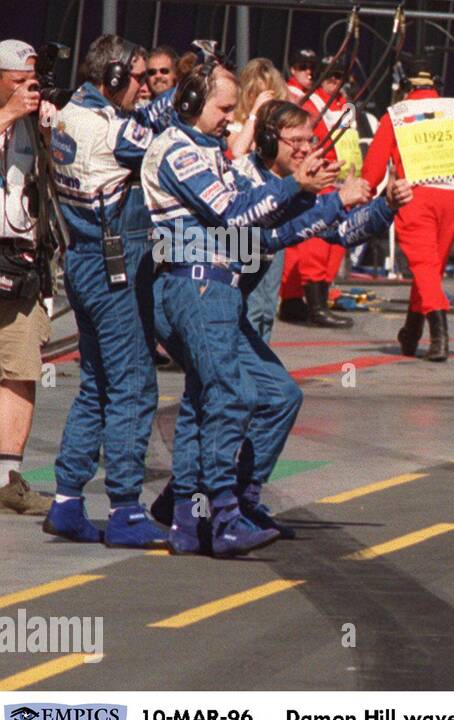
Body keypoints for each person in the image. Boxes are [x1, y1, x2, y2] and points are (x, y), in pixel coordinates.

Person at [141, 65, 369, 556]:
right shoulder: (182, 151)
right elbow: (235, 217)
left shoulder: (207, 151)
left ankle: (190, 515)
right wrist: (303, 193)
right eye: (224, 109)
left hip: (215, 288)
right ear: (192, 102)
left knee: (223, 396)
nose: (231, 121)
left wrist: (377, 206)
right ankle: (219, 516)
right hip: (197, 284)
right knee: (227, 395)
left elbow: (272, 231)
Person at [43, 35, 175, 547]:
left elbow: (141, 120)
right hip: (115, 263)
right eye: (139, 79)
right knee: (134, 386)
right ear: (114, 77)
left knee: (97, 382)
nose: (145, 89)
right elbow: (157, 142)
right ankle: (125, 508)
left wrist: (169, 96)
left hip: (81, 258)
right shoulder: (109, 130)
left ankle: (67, 500)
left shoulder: (70, 112)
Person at [362, 59, 454, 362]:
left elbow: (375, 167)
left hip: (415, 200)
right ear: (435, 84)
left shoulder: (396, 115)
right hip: (452, 201)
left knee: (426, 270)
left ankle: (440, 335)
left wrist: (362, 194)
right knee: (429, 270)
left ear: (405, 85)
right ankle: (411, 331)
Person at [0, 40, 51, 515]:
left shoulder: (34, 124)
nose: (28, 89)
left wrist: (47, 127)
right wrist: (8, 113)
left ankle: (6, 480)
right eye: (18, 80)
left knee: (19, 369)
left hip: (19, 257)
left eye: (32, 80)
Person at [278, 65, 359, 328]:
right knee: (315, 243)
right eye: (331, 75)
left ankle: (295, 302)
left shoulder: (345, 106)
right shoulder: (310, 103)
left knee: (333, 244)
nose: (336, 81)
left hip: (341, 181)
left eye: (340, 76)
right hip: (319, 180)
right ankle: (315, 306)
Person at [226, 58, 286, 161]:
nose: (263, 101)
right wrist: (254, 113)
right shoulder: (234, 123)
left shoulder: (277, 125)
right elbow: (237, 152)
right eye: (257, 94)